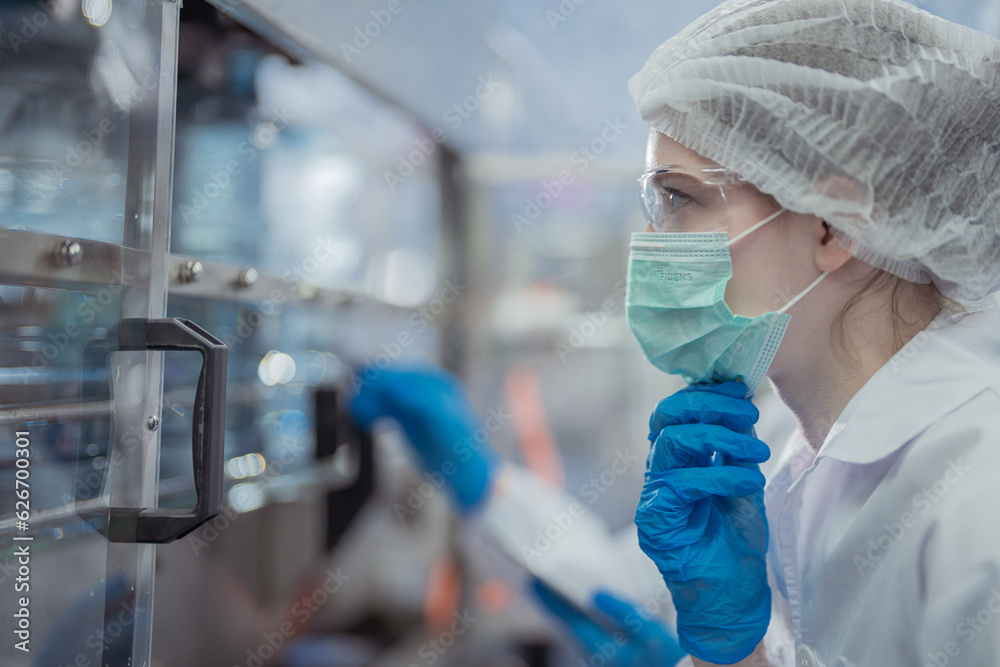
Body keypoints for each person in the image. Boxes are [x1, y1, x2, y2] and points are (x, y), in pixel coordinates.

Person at [351, 0, 1000, 665]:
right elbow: (635, 598)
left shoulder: (978, 505)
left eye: (680, 198)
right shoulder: (783, 439)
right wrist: (482, 483)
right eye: (652, 202)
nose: (653, 242)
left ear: (836, 223)